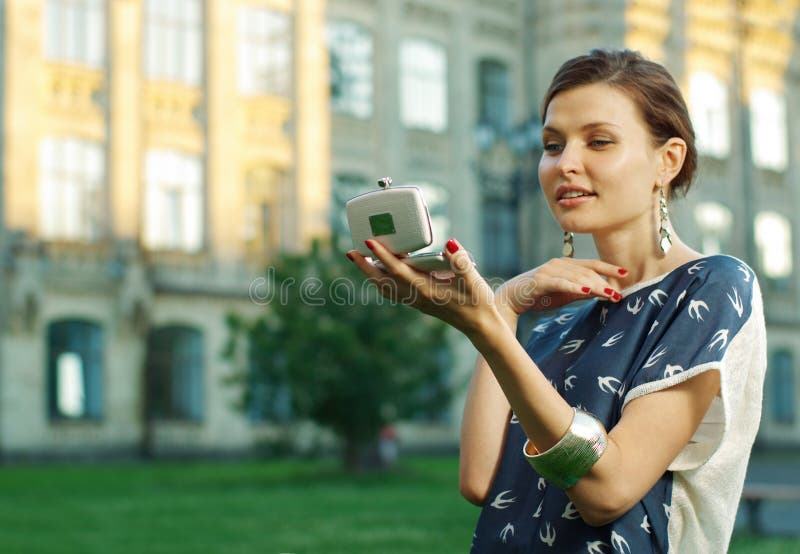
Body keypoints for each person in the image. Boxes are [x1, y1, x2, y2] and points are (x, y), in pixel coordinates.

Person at [346, 48, 766, 553]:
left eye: (599, 141)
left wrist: (488, 328)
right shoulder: (553, 324)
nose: (566, 163)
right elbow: (480, 481)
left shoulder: (712, 287)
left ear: (667, 160)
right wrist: (500, 307)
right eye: (552, 144)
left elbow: (607, 490)